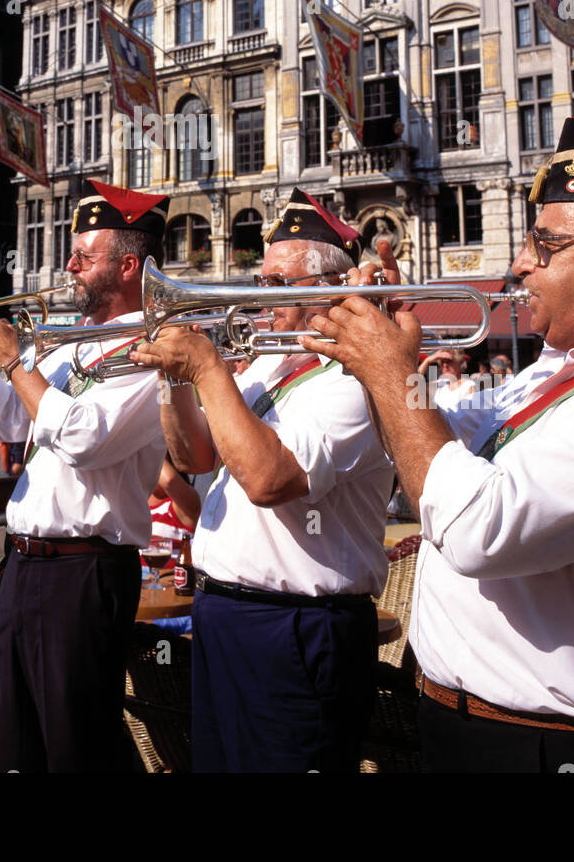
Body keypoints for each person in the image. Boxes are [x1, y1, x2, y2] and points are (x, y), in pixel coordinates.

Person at [305, 118, 574, 773]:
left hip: (558, 748)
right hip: (469, 729)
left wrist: (389, 374)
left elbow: (478, 528)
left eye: (545, 242)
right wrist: (374, 344)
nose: (519, 262)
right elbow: (434, 439)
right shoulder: (561, 370)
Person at [133, 187, 393, 772]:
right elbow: (195, 456)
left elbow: (268, 478)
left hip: (296, 628)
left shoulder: (353, 380)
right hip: (228, 614)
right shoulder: (274, 363)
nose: (258, 292)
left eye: (277, 280)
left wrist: (205, 366)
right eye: (262, 276)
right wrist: (175, 379)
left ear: (326, 289)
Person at [0, 179, 170, 773]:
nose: (68, 266)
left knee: (73, 749)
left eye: (84, 256)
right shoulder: (66, 343)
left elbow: (82, 438)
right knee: (9, 743)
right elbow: (1, 418)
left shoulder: (154, 349)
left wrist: (9, 357)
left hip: (84, 569)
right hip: (23, 563)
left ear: (129, 266)